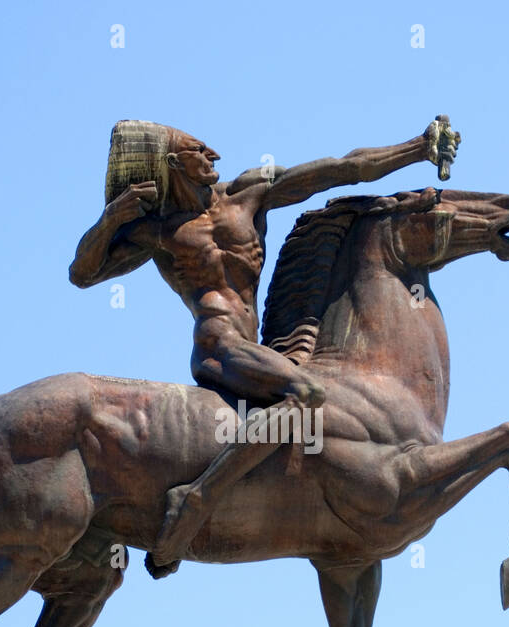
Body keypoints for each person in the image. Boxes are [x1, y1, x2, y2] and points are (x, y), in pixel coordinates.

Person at [69, 116, 460, 577]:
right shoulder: (159, 230)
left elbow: (343, 168)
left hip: (258, 351)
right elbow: (83, 273)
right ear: (170, 163)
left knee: (309, 398)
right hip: (218, 345)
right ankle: (193, 502)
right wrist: (112, 218)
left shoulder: (249, 193)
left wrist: (416, 148)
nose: (213, 154)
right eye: (198, 150)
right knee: (309, 394)